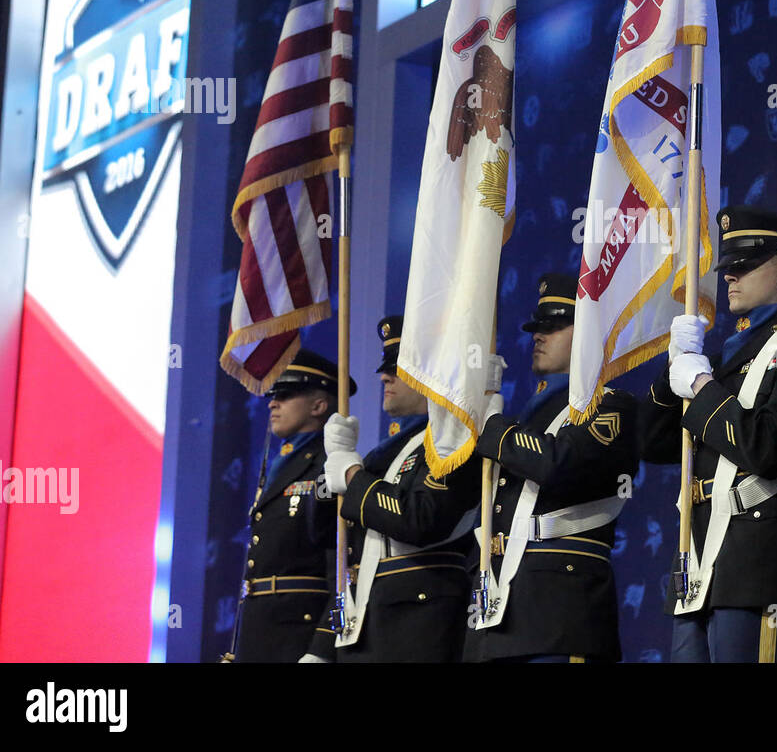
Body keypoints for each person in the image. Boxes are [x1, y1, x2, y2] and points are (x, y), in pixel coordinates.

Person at [639, 206, 777, 662]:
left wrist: (699, 385)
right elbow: (651, 443)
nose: (729, 276)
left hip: (757, 563)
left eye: (745, 266)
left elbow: (767, 447)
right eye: (727, 266)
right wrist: (672, 366)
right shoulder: (724, 356)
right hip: (697, 561)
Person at [464, 273, 639, 663]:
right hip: (497, 612)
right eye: (538, 327)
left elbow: (558, 464)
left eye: (556, 326)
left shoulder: (611, 406)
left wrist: (493, 428)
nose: (539, 336)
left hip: (558, 615)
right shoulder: (530, 416)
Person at [316, 315, 484, 662]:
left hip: (418, 626)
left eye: (399, 367)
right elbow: (353, 556)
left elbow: (419, 520)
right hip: (366, 625)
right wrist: (320, 647)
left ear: (431, 374)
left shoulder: (454, 441)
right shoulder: (391, 451)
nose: (384, 376)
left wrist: (351, 474)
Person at [231, 349, 354, 663]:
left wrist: (322, 646)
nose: (273, 402)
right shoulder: (282, 466)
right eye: (273, 395)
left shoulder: (329, 467)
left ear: (319, 405)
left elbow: (340, 564)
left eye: (285, 395)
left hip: (299, 634)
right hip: (261, 632)